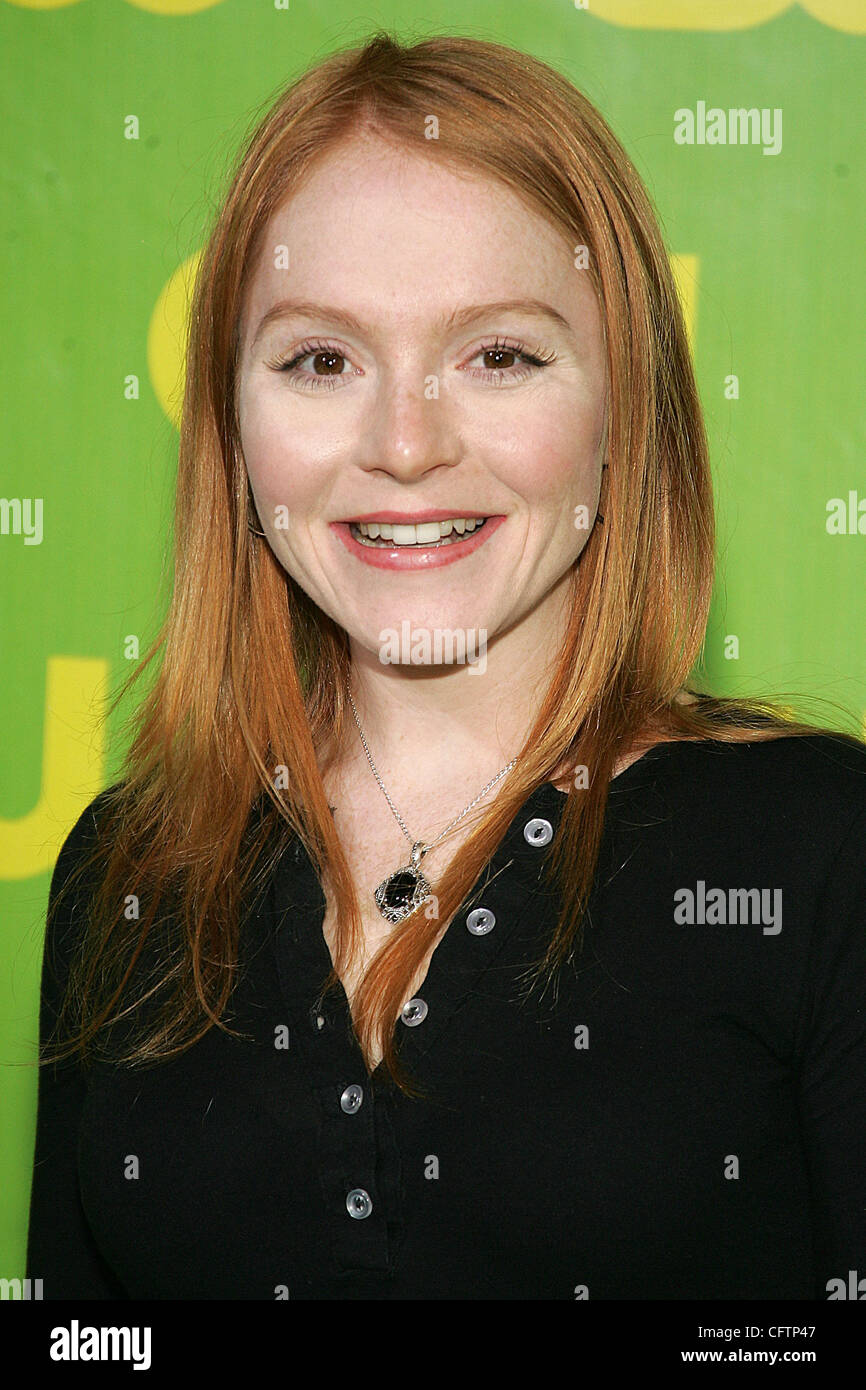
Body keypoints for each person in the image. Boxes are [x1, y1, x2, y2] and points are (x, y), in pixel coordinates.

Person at [26, 31, 866, 1300]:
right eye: (320, 359)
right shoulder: (129, 869)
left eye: (498, 355)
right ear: (234, 426)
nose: (405, 443)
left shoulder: (823, 851)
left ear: (620, 411)